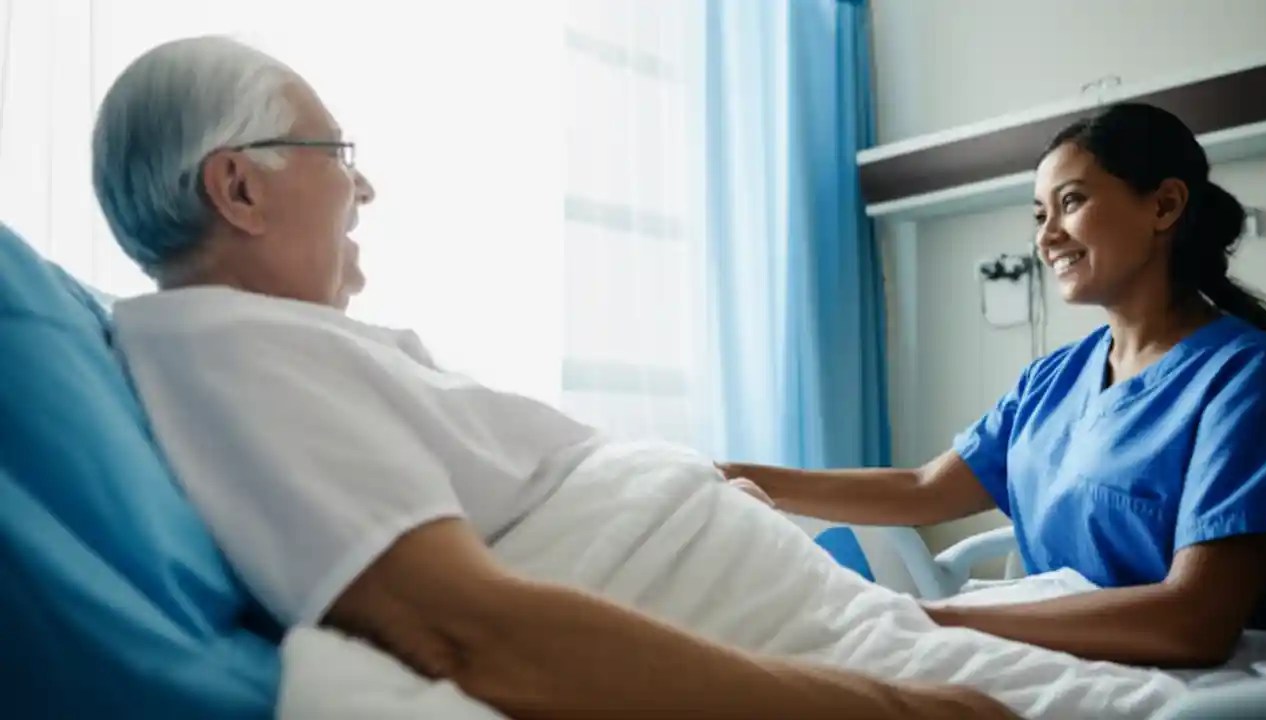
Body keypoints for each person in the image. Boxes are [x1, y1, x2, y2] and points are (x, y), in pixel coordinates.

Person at [92, 36, 1014, 719]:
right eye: (336, 156)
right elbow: (465, 630)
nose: (362, 191)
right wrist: (892, 709)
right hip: (816, 651)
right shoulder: (237, 357)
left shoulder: (268, 345)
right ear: (238, 188)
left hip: (822, 621)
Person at [721, 102, 1266, 669]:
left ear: (1164, 205)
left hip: (1195, 687)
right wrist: (735, 476)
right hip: (1064, 666)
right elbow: (923, 489)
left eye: (1071, 202)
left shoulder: (1245, 377)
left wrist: (933, 620)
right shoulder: (1053, 379)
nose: (1048, 236)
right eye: (1039, 215)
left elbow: (1193, 622)